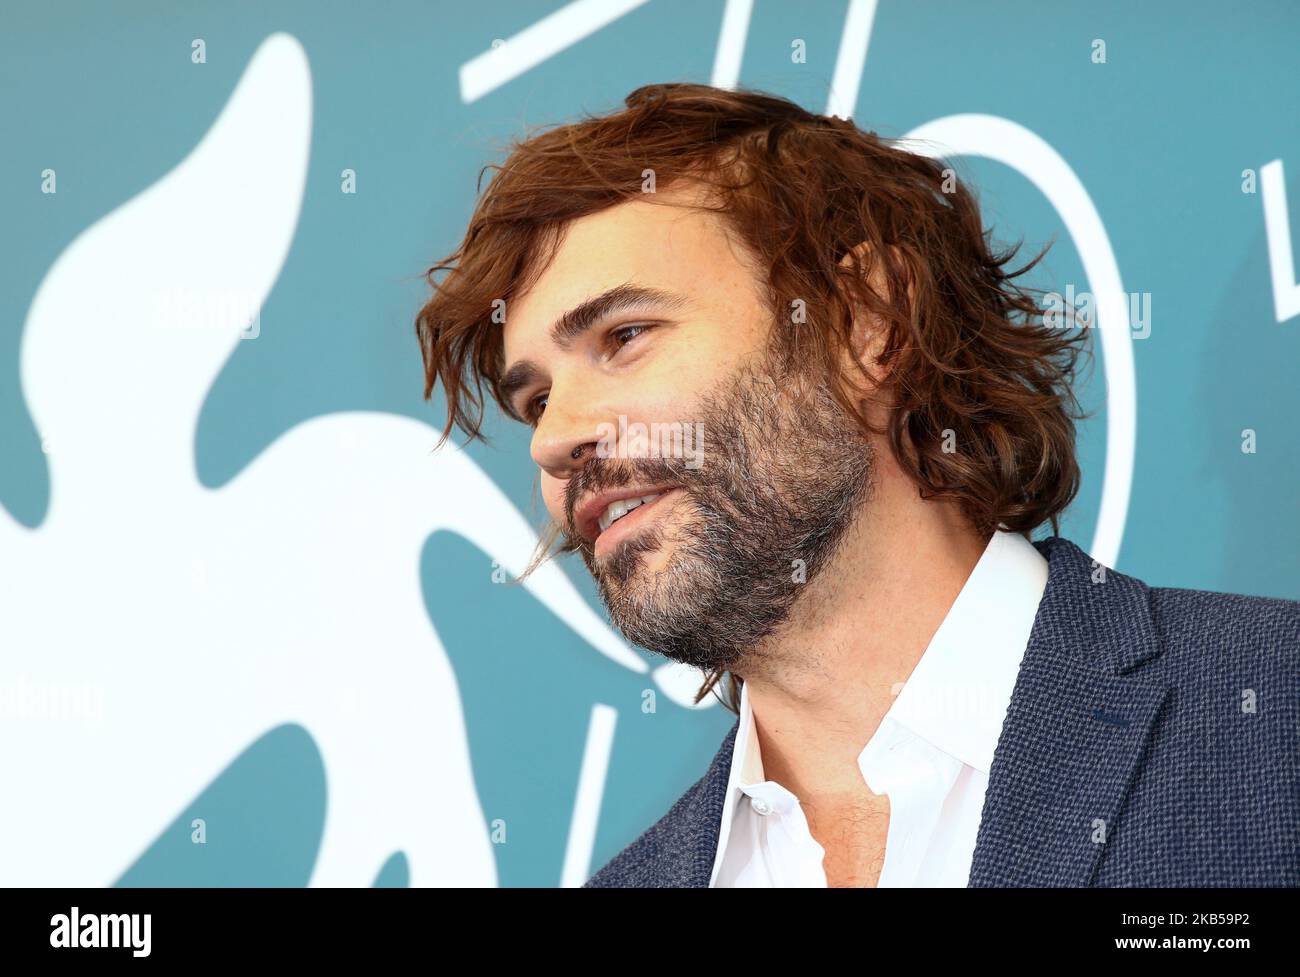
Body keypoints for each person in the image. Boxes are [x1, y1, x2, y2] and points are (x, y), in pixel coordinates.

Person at [413, 83, 1300, 887]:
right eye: (536, 399)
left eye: (625, 335)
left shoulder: (1273, 711)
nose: (555, 440)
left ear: (867, 321)